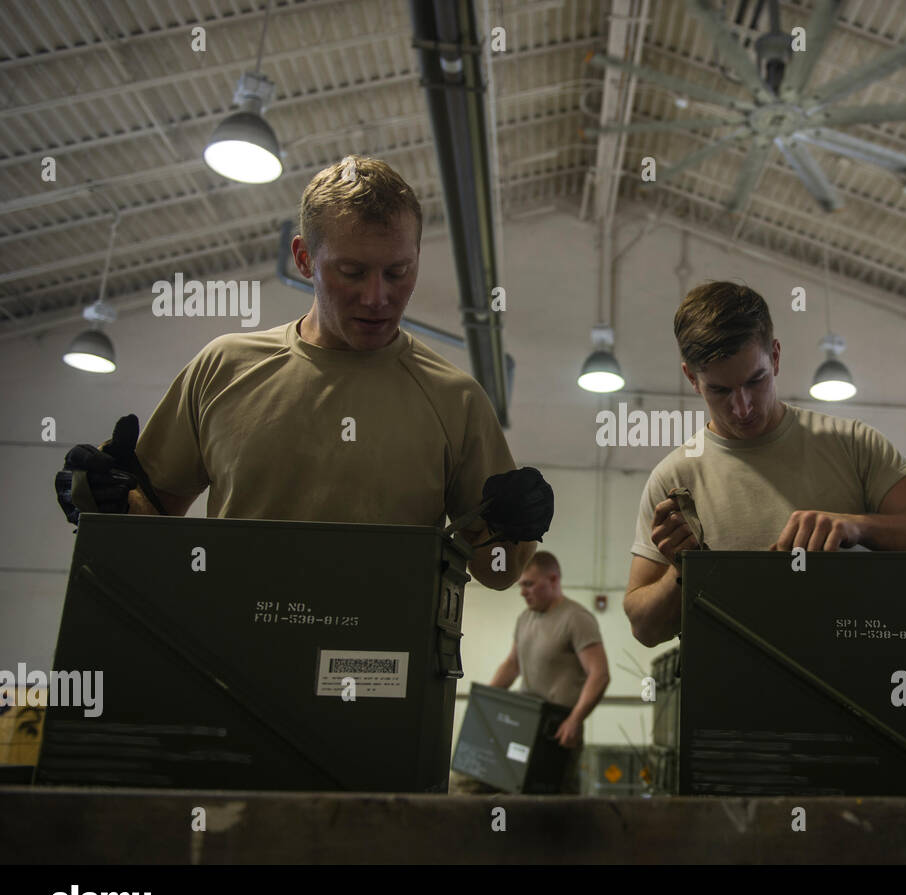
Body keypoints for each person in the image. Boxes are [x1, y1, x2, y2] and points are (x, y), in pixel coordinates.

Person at [54, 155, 541, 589]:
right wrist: (108, 500)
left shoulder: (456, 400)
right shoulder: (224, 368)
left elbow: (499, 571)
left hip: (383, 658)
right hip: (223, 650)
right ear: (304, 258)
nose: (377, 297)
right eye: (352, 272)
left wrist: (515, 530)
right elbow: (151, 521)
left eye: (398, 272)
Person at [623, 281, 906, 647]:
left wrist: (857, 527)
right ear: (691, 379)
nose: (742, 407)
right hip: (731, 681)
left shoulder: (851, 446)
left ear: (775, 357)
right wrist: (684, 570)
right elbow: (645, 630)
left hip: (850, 673)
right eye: (720, 390)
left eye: (755, 380)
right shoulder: (675, 480)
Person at [453, 551, 609, 794]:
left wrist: (575, 720)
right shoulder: (525, 618)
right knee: (477, 784)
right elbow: (512, 664)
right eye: (521, 585)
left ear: (553, 579)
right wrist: (484, 704)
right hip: (525, 720)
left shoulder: (576, 619)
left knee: (552, 803)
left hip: (557, 729)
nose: (523, 592)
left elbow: (599, 674)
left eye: (529, 584)